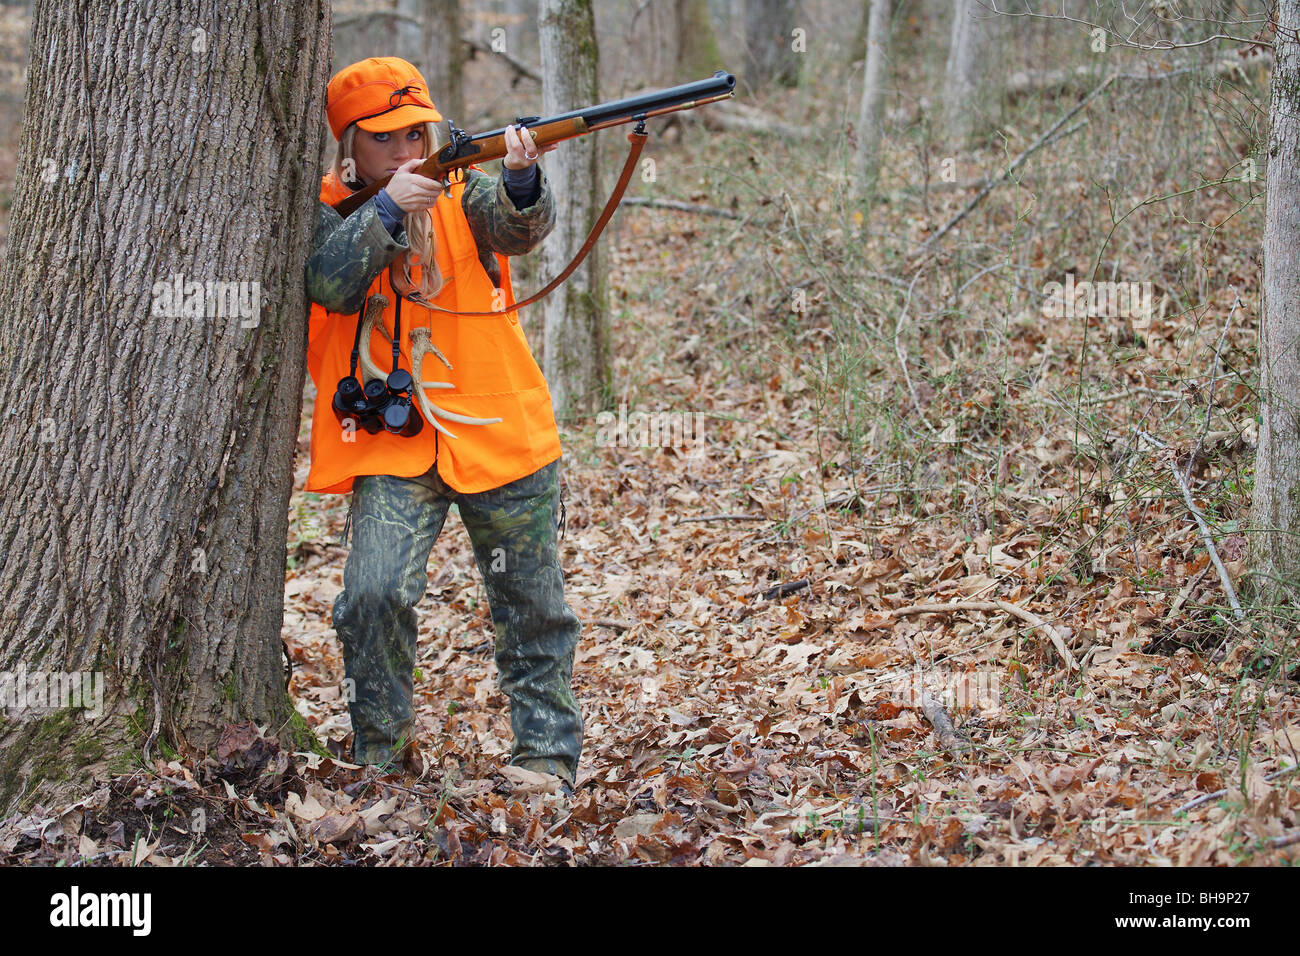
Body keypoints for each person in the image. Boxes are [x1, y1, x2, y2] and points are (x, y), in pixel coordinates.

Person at [303, 57, 583, 791]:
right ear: (349, 146)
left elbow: (519, 229)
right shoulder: (330, 206)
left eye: (415, 134)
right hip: (394, 443)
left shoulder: (462, 187)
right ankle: (379, 761)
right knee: (372, 595)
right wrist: (390, 208)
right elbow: (328, 279)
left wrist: (522, 177)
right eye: (386, 139)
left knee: (532, 606)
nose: (405, 153)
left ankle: (547, 759)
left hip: (499, 425)